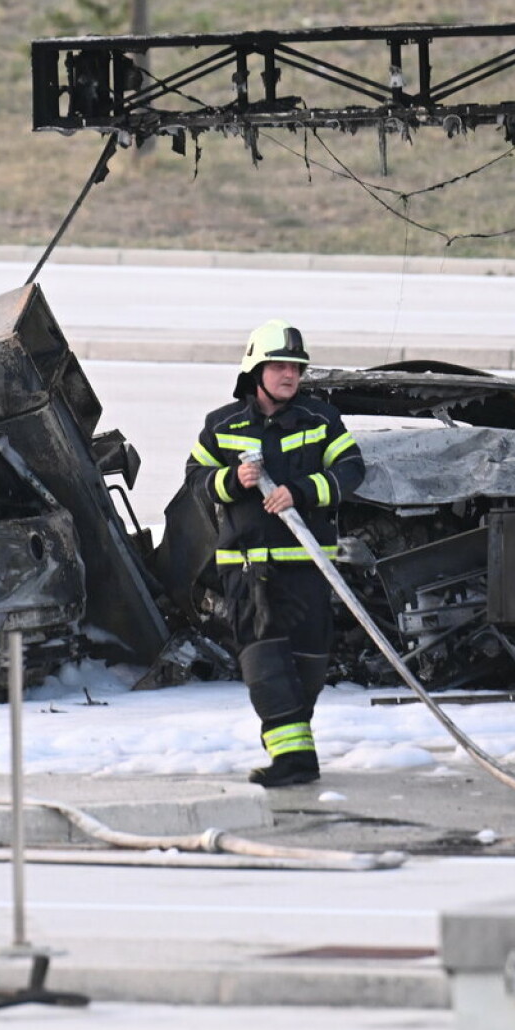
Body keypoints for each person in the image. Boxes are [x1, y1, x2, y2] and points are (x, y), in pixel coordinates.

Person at [187, 322, 365, 787]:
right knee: (264, 659)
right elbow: (195, 482)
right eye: (280, 365)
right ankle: (294, 761)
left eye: (296, 367)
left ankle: (293, 747)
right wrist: (231, 481)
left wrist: (301, 492)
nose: (290, 374)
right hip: (247, 567)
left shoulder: (322, 419)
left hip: (307, 562)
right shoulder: (222, 425)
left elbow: (352, 470)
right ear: (257, 370)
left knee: (308, 662)